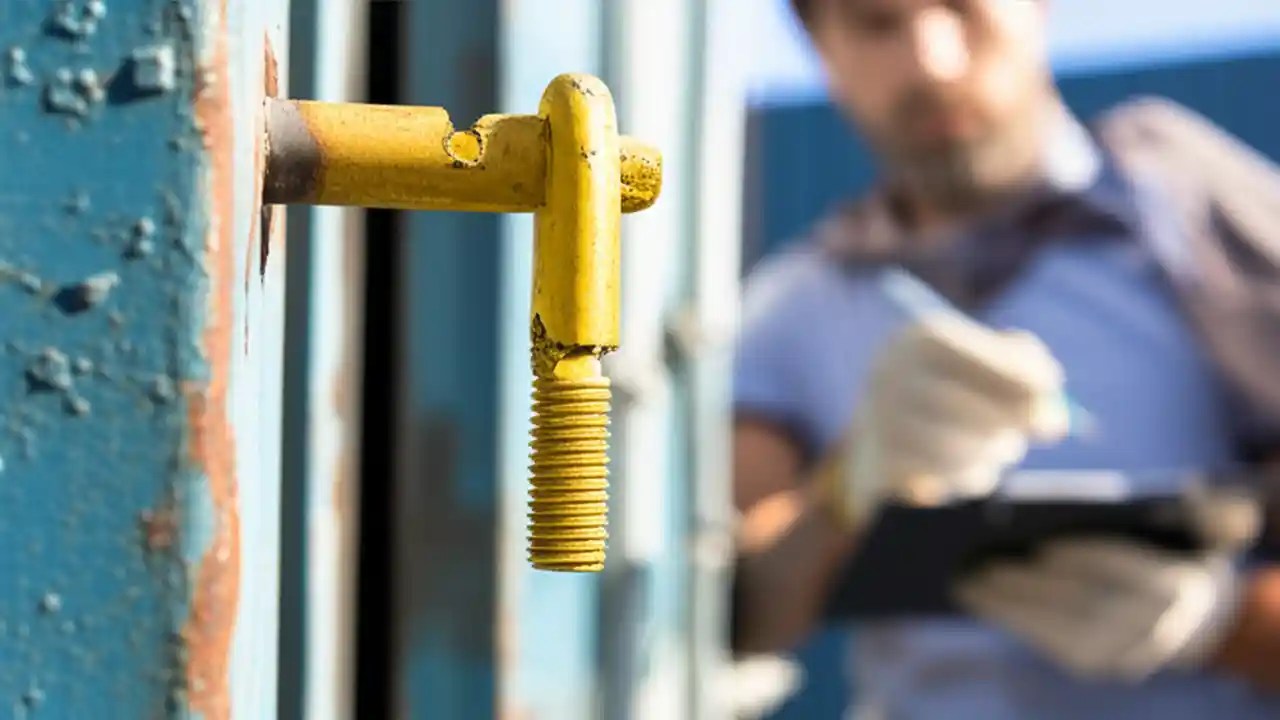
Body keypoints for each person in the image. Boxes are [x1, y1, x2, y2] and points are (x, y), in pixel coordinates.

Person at [730, 0, 1280, 717]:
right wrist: (847, 484)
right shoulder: (792, 310)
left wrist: (1222, 623)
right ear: (821, 53)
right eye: (876, 24)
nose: (932, 60)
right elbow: (726, 606)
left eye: (963, 8)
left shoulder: (1193, 213)